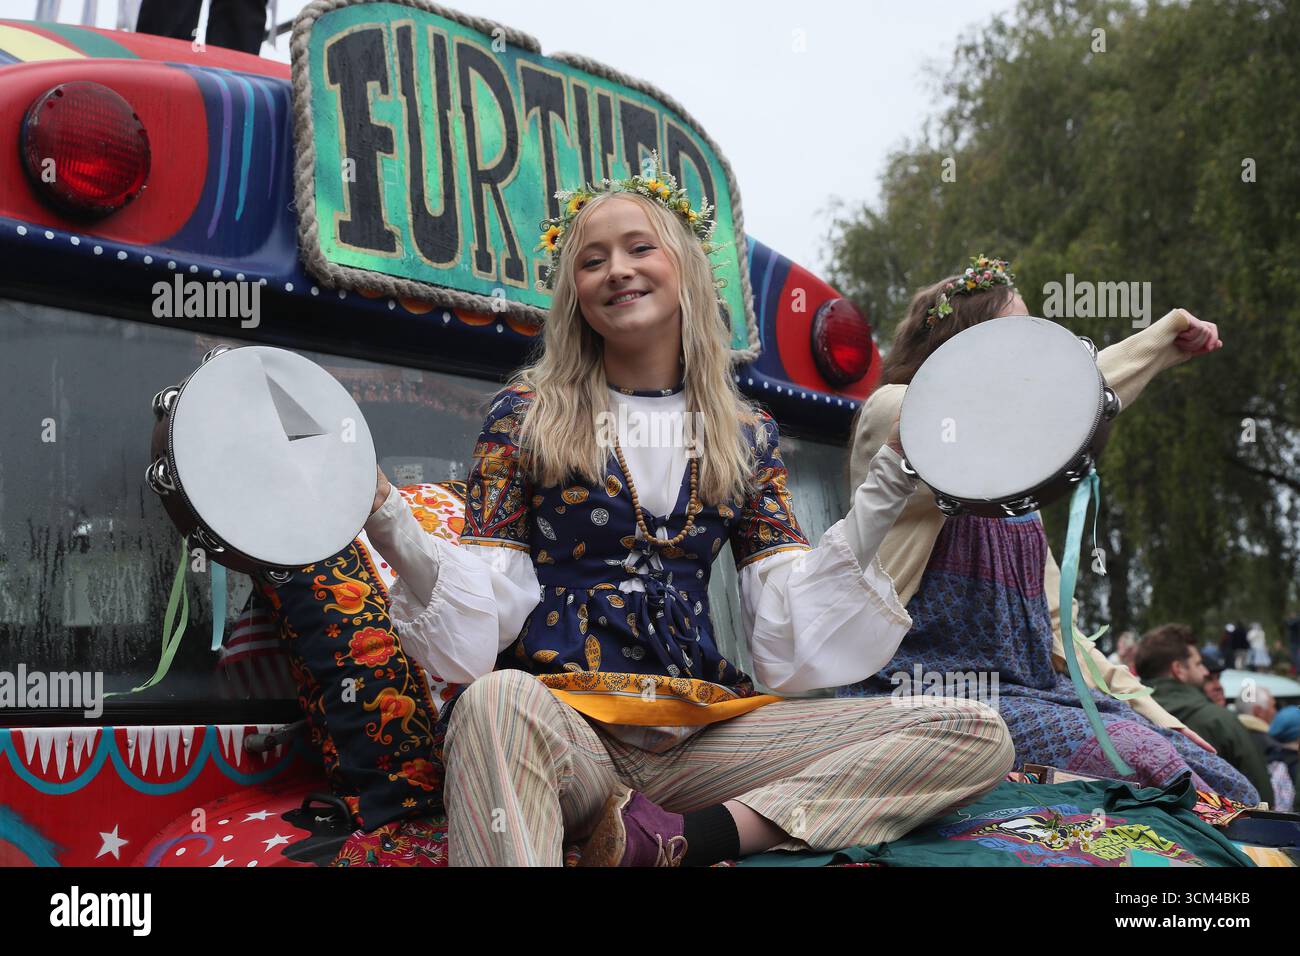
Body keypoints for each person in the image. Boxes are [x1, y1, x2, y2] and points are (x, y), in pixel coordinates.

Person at [359, 159, 1014, 867]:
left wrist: (890, 475)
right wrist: (386, 514)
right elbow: (479, 625)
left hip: (703, 742)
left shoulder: (745, 432)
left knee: (973, 730)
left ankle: (679, 841)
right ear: (574, 294)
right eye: (591, 260)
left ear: (686, 270)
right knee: (491, 700)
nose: (616, 270)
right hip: (567, 729)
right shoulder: (526, 416)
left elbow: (790, 631)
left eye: (639, 248)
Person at [838, 257, 1260, 804]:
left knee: (1228, 781)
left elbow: (1061, 632)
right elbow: (1044, 402)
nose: (1036, 354)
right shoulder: (898, 415)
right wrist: (1158, 342)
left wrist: (1160, 715)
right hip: (924, 692)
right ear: (963, 345)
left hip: (1034, 694)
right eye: (1018, 335)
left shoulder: (1017, 481)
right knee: (1149, 763)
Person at [1136, 625, 1273, 806]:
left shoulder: (1121, 718)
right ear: (1178, 669)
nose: (1205, 671)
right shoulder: (1220, 721)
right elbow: (1264, 801)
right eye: (1199, 664)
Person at [1231, 687, 1295, 812]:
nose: (1275, 712)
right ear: (1258, 711)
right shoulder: (1269, 745)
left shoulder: (1229, 737)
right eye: (1273, 706)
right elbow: (1282, 799)